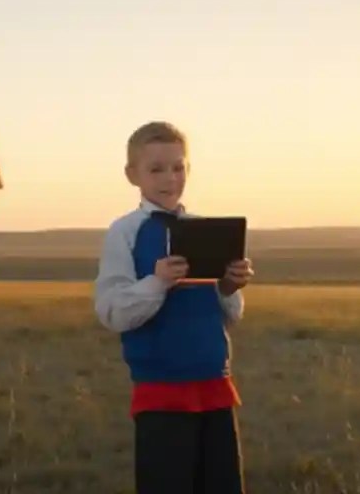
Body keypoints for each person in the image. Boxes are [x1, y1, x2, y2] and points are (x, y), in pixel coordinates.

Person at [94, 121, 255, 494]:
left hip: (214, 384)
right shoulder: (125, 232)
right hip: (160, 391)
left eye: (178, 167)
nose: (170, 178)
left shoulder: (205, 230)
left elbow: (229, 316)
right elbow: (111, 311)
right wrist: (158, 282)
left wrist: (229, 286)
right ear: (132, 175)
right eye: (156, 169)